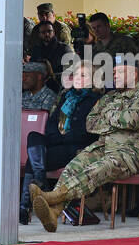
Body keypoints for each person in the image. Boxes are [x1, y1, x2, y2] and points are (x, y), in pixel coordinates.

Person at [31, 56, 139, 232]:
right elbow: (90, 123)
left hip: (131, 154)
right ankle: (54, 212)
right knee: (76, 164)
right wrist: (116, 118)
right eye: (114, 72)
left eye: (121, 72)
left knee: (98, 168)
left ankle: (54, 196)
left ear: (135, 74)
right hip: (105, 147)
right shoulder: (109, 97)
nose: (115, 76)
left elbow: (131, 121)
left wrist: (107, 117)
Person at [20, 61, 102, 224]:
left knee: (33, 160)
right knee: (34, 136)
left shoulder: (96, 101)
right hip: (56, 142)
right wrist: (55, 137)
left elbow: (84, 133)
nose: (78, 78)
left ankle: (24, 207)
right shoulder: (66, 96)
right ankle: (40, 180)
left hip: (76, 148)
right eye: (77, 74)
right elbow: (51, 125)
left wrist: (58, 137)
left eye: (84, 75)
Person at [27, 20, 71, 88]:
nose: (47, 34)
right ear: (39, 34)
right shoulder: (36, 49)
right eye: (43, 32)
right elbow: (32, 68)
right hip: (40, 86)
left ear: (53, 32)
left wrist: (52, 76)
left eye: (49, 31)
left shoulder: (64, 48)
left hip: (59, 85)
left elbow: (70, 71)